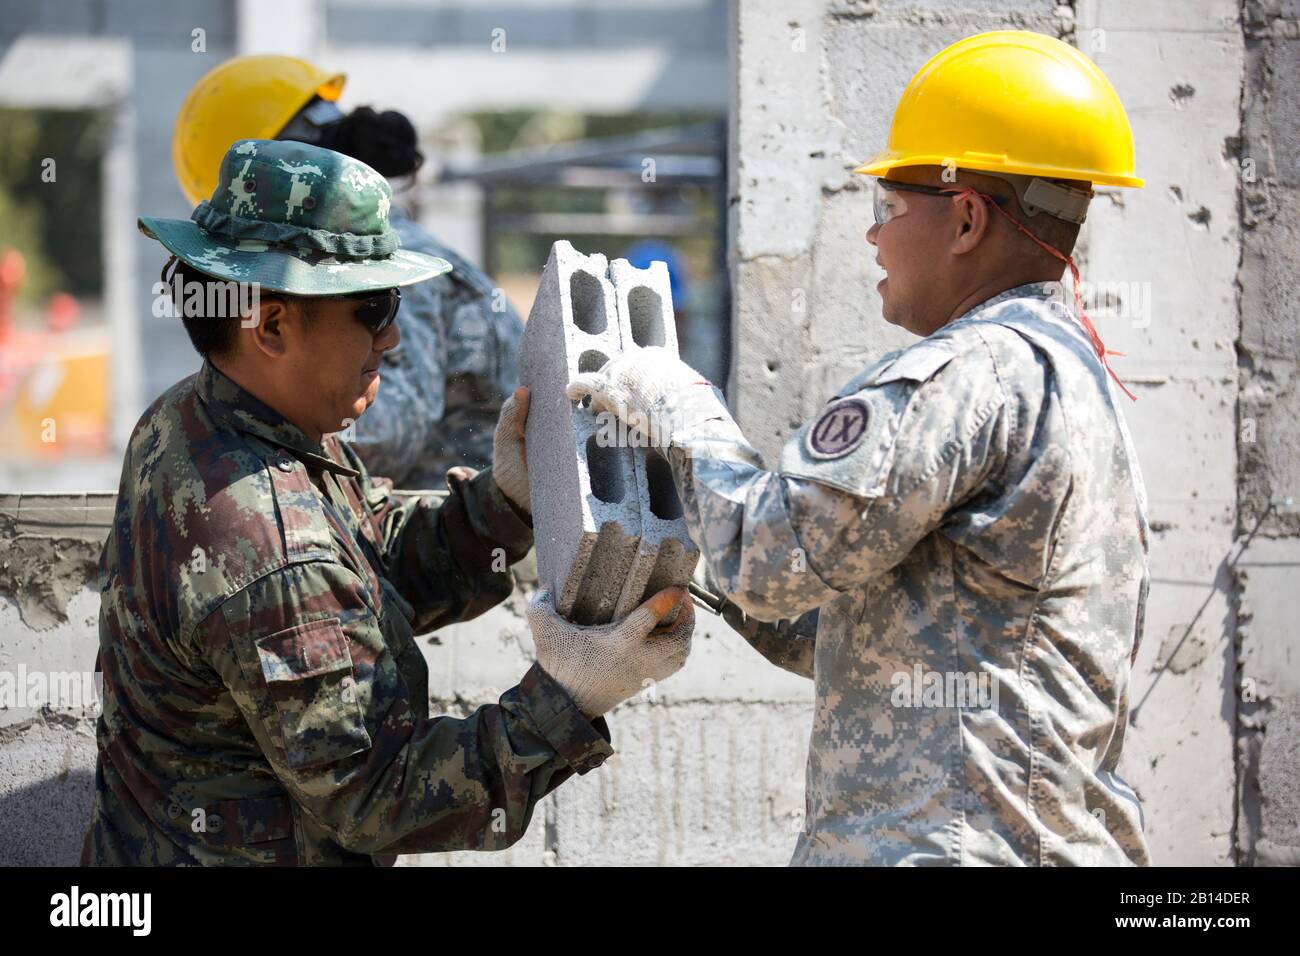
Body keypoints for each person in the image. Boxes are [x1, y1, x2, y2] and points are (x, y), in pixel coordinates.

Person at [569, 31, 1151, 866]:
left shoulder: (962, 376)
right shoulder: (1068, 375)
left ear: (966, 219)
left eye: (886, 207)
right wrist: (686, 564)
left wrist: (678, 404)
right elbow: (877, 632)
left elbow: (769, 557)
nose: (872, 239)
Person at [81, 139, 692, 866]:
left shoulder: (204, 421)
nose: (393, 336)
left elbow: (367, 560)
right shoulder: (266, 541)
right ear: (272, 326)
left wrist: (500, 510)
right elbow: (377, 801)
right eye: (372, 308)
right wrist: (570, 699)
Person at [172, 54, 523, 487]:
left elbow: (392, 432)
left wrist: (248, 436)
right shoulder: (354, 249)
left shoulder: (376, 262)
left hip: (472, 530)